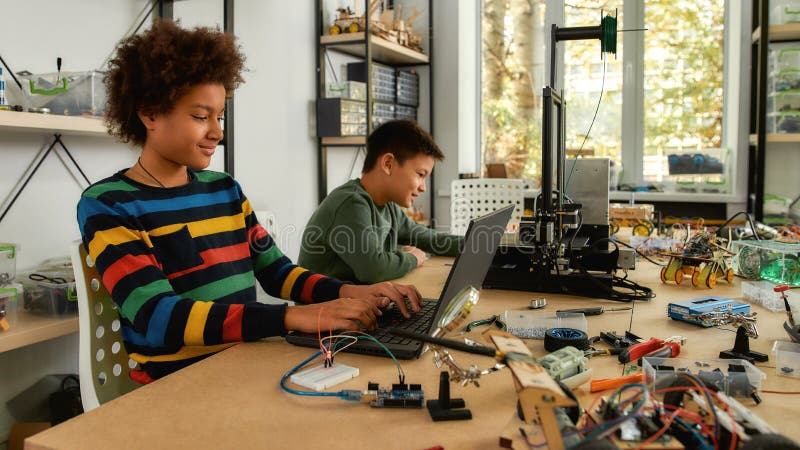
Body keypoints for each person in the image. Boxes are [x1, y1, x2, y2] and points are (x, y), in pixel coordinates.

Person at [77, 20, 421, 381]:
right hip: (177, 384)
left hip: (244, 363)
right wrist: (292, 317)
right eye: (200, 116)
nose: (218, 132)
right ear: (149, 113)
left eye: (220, 116)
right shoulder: (109, 204)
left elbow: (276, 273)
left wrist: (357, 293)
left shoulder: (225, 189)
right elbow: (160, 316)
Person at [298, 120, 463, 284]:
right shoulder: (351, 204)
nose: (423, 188)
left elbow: (430, 239)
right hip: (326, 308)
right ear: (388, 164)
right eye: (420, 174)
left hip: (360, 302)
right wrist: (412, 258)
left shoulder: (388, 206)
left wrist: (481, 244)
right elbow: (373, 270)